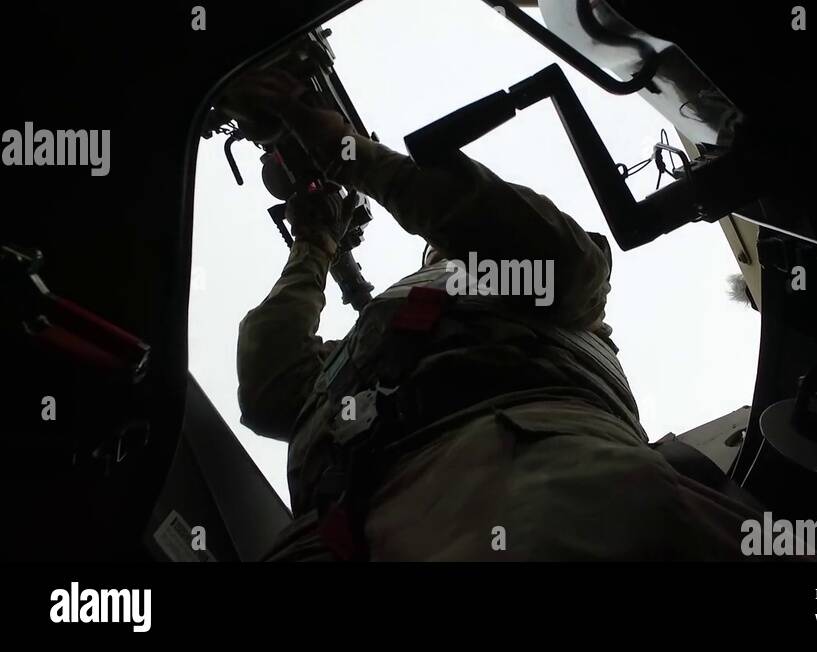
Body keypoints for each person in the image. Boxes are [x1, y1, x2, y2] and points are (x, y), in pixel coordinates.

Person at [223, 71, 761, 561]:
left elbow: (512, 237)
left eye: (449, 252)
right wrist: (314, 241)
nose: (444, 256)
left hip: (511, 478)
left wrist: (348, 153)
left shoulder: (561, 293)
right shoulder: (384, 335)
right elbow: (269, 382)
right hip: (330, 530)